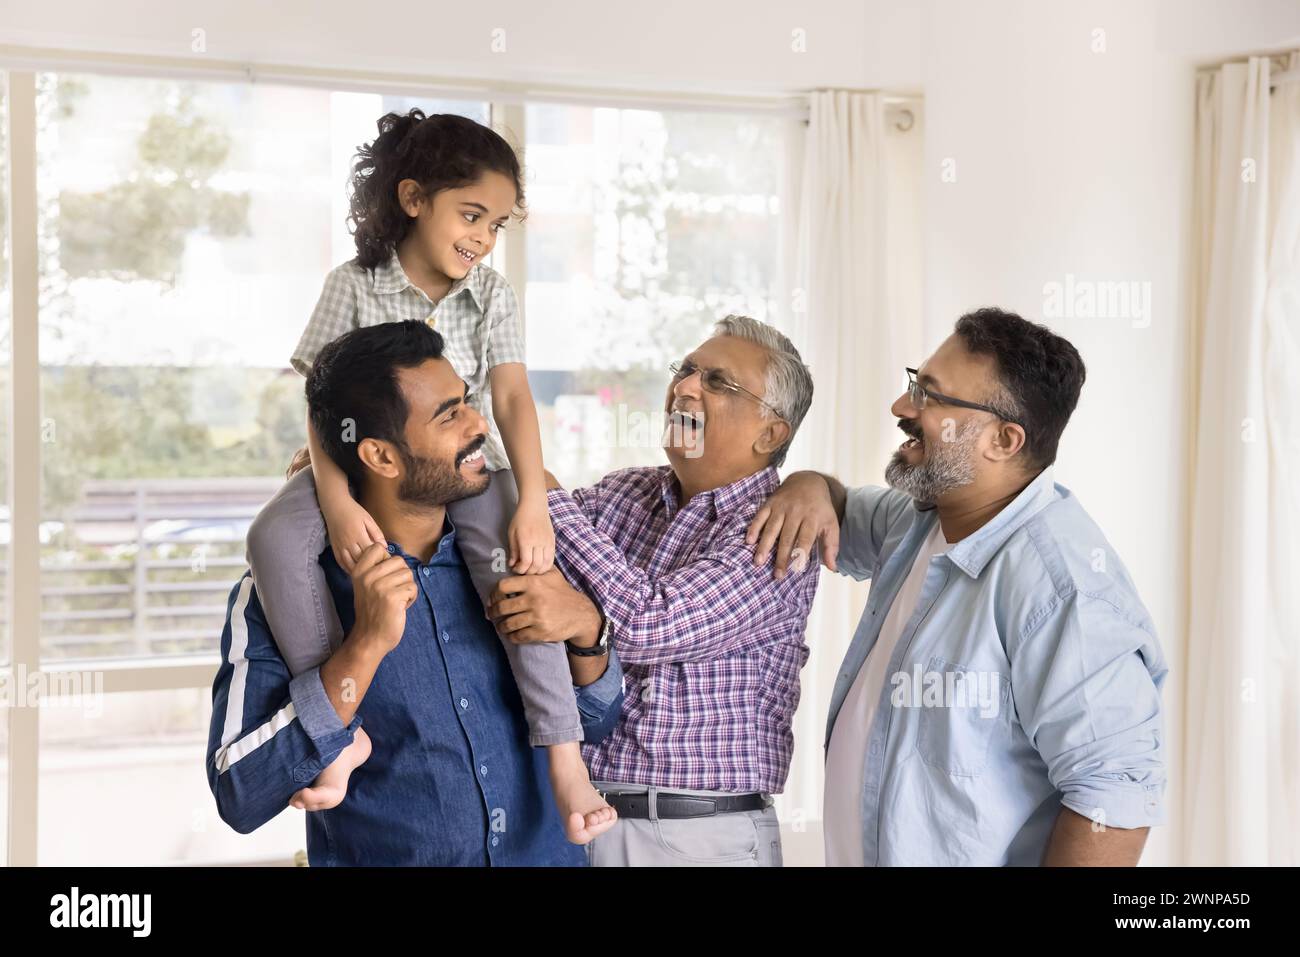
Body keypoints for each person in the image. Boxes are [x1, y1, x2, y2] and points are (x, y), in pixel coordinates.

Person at [244, 109, 613, 843]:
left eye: (497, 224)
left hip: (473, 469)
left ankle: (565, 753)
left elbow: (509, 398)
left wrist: (533, 500)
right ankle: (338, 734)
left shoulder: (494, 297)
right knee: (275, 537)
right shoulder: (353, 284)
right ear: (413, 199)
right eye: (470, 214)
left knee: (519, 567)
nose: (481, 238)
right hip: (354, 460)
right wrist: (338, 500)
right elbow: (319, 401)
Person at [747, 307, 1168, 865]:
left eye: (930, 396)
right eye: (913, 384)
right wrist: (806, 483)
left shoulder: (1062, 590)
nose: (902, 408)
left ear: (1003, 439)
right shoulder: (920, 519)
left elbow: (1113, 798)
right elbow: (837, 505)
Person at [206, 321, 624, 865]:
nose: (479, 423)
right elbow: (240, 794)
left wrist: (587, 633)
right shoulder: (275, 593)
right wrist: (365, 647)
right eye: (449, 415)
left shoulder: (516, 547)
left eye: (468, 401)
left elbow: (600, 722)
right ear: (380, 457)